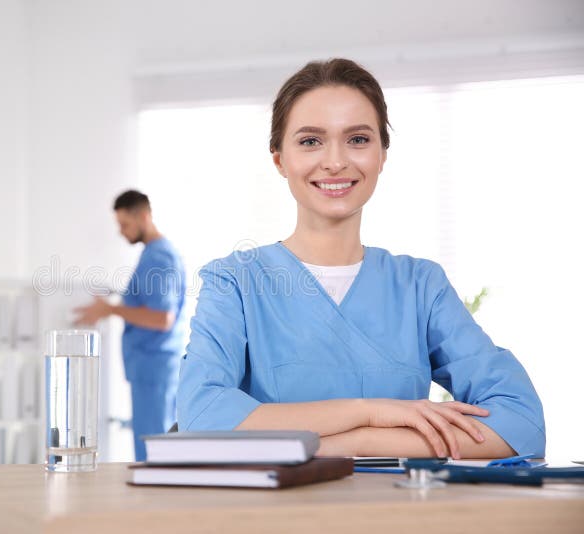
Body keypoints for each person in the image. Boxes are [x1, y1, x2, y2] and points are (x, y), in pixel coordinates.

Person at [177, 59, 545, 459]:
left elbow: (520, 423)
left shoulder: (420, 286)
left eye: (357, 139)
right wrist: (370, 412)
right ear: (279, 160)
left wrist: (359, 442)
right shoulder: (234, 282)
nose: (336, 161)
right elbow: (202, 417)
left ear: (382, 155)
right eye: (310, 141)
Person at [74, 190, 186, 461]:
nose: (121, 232)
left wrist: (110, 309)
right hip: (153, 367)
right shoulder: (156, 254)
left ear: (144, 217)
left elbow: (162, 318)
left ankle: (154, 503)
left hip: (153, 366)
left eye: (124, 224)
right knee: (155, 442)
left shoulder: (158, 258)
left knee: (154, 449)